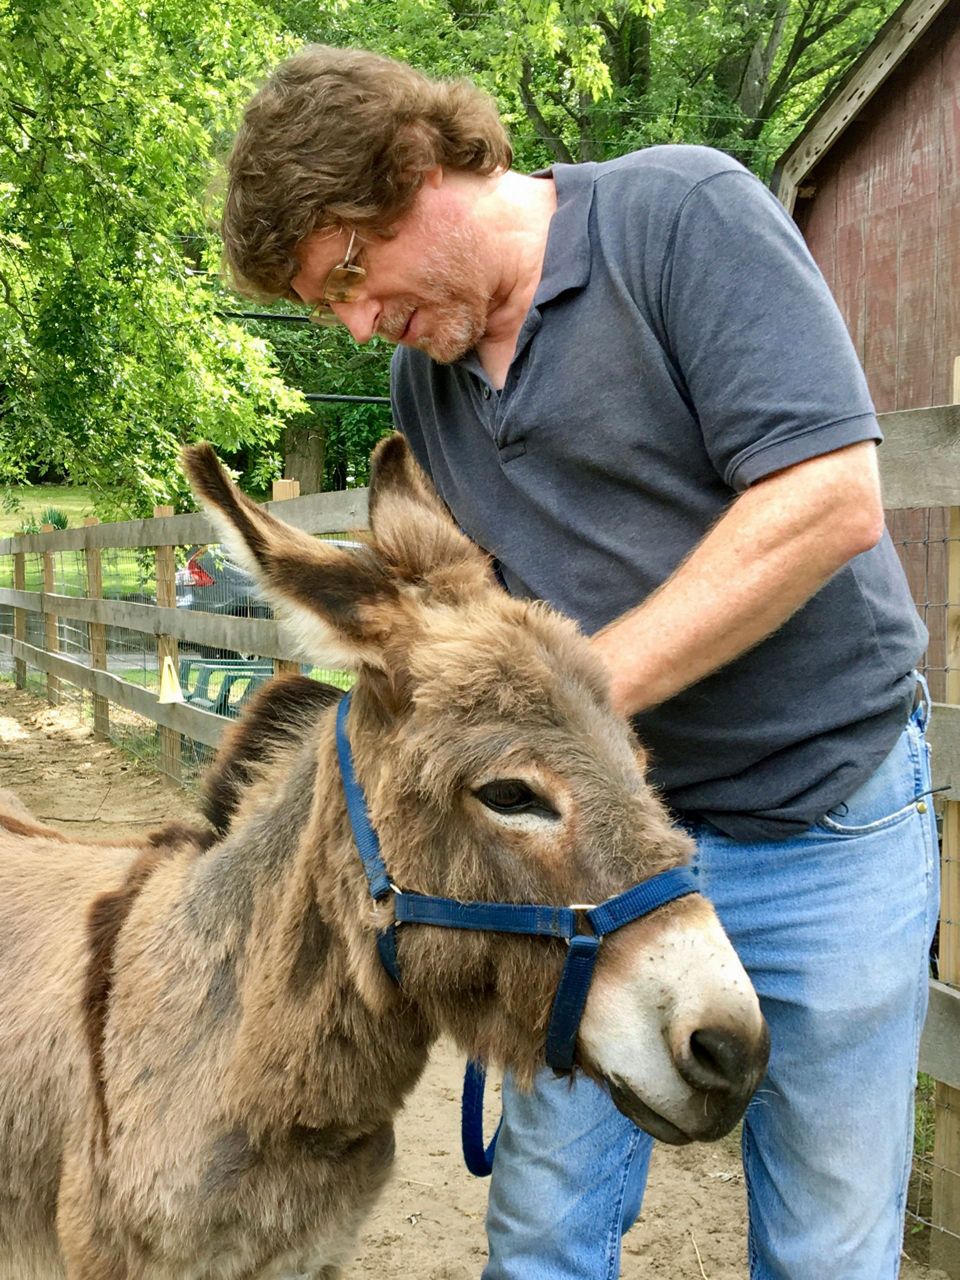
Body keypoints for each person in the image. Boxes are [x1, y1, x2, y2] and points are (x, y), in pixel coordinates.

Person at [221, 45, 940, 1280]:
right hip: (586, 858)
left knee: (828, 1244)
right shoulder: (426, 382)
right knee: (545, 1225)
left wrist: (570, 708)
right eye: (321, 304)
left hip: (823, 820)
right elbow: (468, 624)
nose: (354, 319)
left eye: (350, 268)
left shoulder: (682, 216)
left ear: (419, 169)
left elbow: (830, 500)